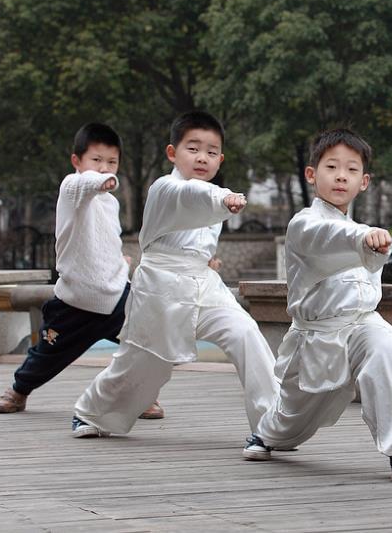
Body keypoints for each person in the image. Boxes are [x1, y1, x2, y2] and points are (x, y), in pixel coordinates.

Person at [71, 111, 278, 441]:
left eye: (211, 152)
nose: (202, 157)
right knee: (143, 361)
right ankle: (92, 411)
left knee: (246, 334)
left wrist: (208, 261)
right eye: (193, 148)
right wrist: (223, 198)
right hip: (160, 287)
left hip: (204, 285)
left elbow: (198, 234)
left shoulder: (213, 196)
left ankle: (271, 426)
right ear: (172, 152)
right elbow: (192, 197)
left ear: (220, 159)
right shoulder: (165, 188)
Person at [244, 128, 392, 484]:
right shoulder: (304, 225)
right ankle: (268, 433)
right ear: (312, 175)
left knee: (386, 346)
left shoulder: (363, 232)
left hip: (361, 325)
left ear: (364, 181)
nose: (341, 176)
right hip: (316, 336)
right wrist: (363, 237)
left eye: (352, 169)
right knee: (291, 420)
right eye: (332, 167)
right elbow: (325, 239)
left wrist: (366, 237)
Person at [0, 123, 163, 420]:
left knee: (145, 343)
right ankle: (19, 391)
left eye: (112, 162)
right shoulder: (71, 189)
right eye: (96, 161)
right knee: (46, 354)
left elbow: (105, 242)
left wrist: (122, 265)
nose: (104, 168)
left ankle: (142, 396)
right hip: (75, 300)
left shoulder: (111, 203)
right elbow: (81, 184)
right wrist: (98, 181)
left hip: (114, 296)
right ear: (77, 162)